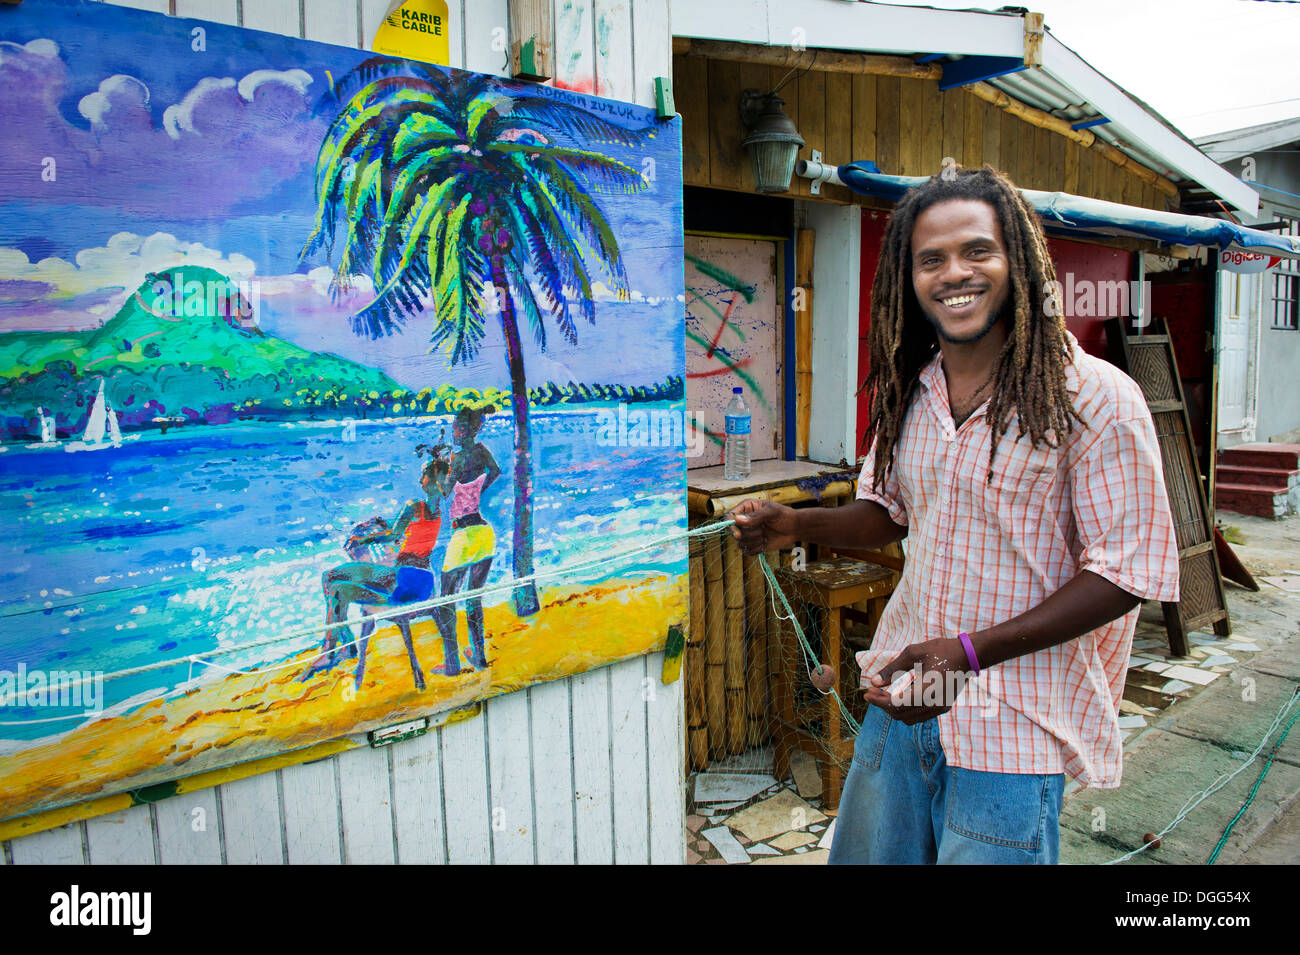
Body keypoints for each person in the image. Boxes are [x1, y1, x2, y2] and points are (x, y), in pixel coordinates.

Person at [730, 164, 1180, 865]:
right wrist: (799, 525)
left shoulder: (1095, 399)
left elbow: (1126, 574)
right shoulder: (916, 392)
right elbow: (888, 509)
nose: (954, 273)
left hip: (1014, 721)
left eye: (977, 251)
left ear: (1019, 262)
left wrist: (966, 654)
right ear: (908, 278)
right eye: (931, 259)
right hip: (906, 695)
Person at [302, 444, 451, 691]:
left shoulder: (415, 505)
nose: (419, 478)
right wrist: (383, 526)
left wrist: (362, 539)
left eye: (424, 474)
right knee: (338, 585)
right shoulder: (436, 511)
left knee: (331, 578)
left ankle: (334, 649)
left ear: (432, 480)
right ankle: (341, 647)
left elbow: (393, 534)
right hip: (423, 583)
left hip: (401, 580)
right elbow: (403, 531)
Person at [431, 405, 501, 677]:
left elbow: (444, 492)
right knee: (474, 599)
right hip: (484, 533)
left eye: (456, 429)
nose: (453, 433)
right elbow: (494, 472)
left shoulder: (458, 459)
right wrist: (477, 488)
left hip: (463, 536)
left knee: (446, 602)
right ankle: (479, 656)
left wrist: (438, 470)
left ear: (464, 429)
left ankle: (451, 665)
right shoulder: (482, 452)